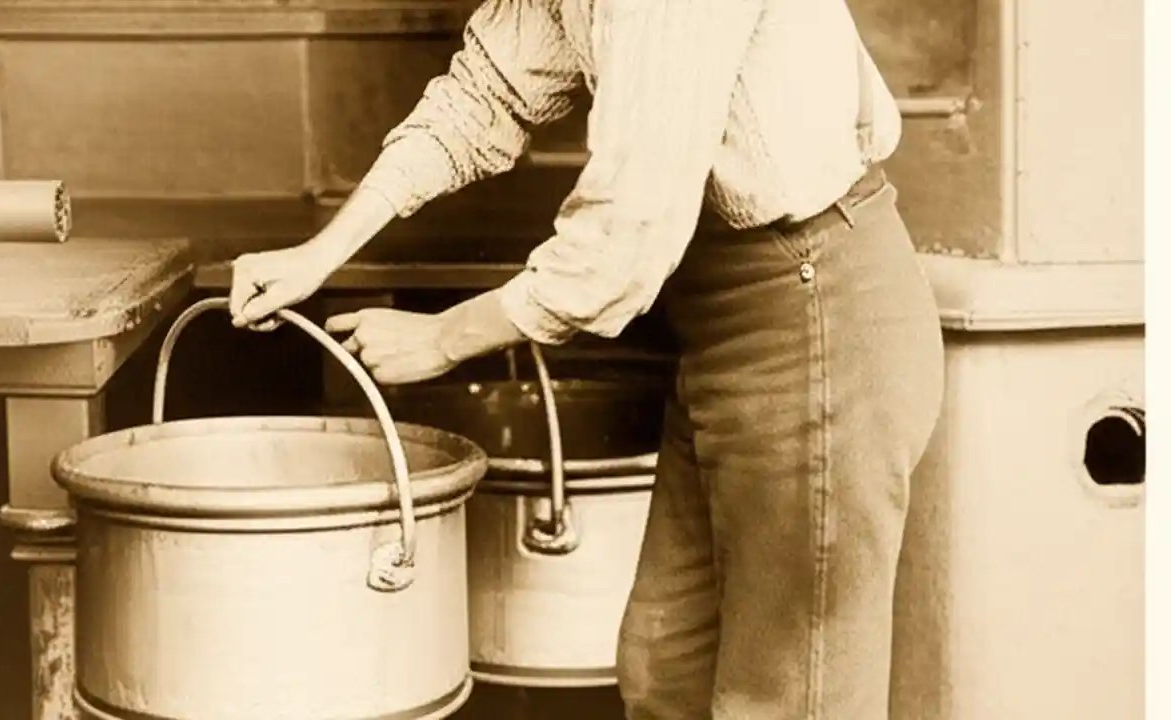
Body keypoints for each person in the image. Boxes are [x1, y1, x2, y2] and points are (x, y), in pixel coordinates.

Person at [229, 0, 945, 716]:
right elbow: (485, 93)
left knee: (788, 697)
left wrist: (442, 337)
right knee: (667, 669)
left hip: (811, 306)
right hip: (723, 321)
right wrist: (321, 253)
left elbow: (626, 232)